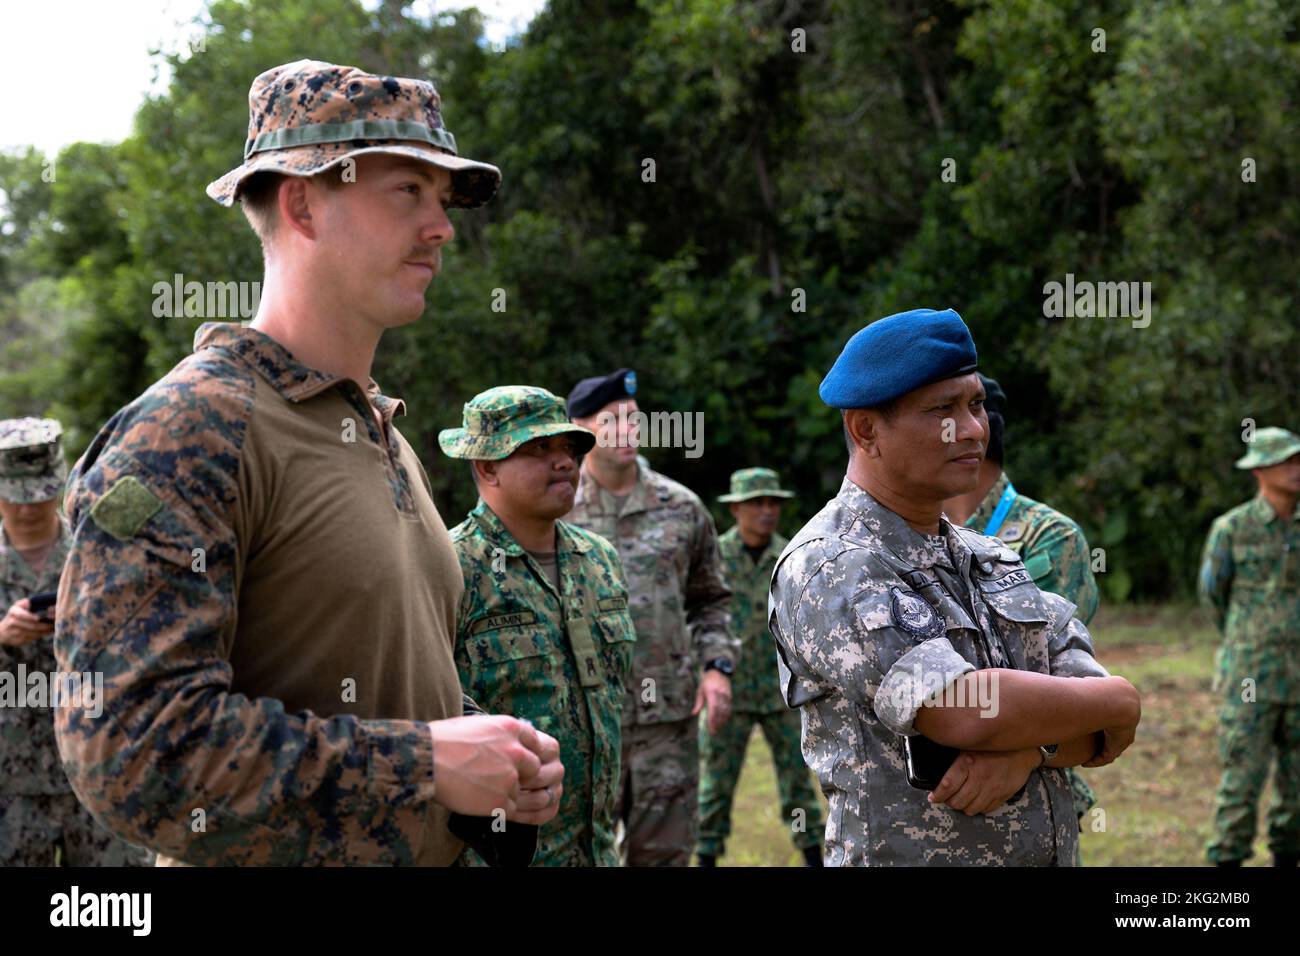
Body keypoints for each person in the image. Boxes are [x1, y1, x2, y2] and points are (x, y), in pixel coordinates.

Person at [53, 59, 561, 866]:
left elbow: (347, 680)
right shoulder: (191, 430)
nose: (442, 227)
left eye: (443, 200)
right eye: (408, 192)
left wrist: (486, 750)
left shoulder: (381, 433)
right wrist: (426, 762)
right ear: (302, 202)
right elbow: (130, 746)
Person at [769, 307, 1141, 866]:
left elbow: (1104, 735)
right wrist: (1121, 696)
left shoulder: (988, 557)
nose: (972, 429)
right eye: (943, 410)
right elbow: (960, 708)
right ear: (865, 429)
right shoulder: (833, 565)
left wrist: (1032, 754)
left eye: (975, 405)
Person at [440, 386, 635, 865]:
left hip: (596, 849)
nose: (564, 462)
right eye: (537, 449)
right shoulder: (449, 566)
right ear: (487, 466)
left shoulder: (599, 559)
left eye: (567, 448)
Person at [565, 367, 737, 865]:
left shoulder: (681, 508)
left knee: (663, 857)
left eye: (634, 418)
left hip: (668, 719)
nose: (627, 430)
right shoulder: (555, 508)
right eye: (611, 419)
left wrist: (716, 668)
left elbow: (710, 600)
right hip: (583, 719)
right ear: (579, 428)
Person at [943, 373, 1101, 862]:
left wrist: (1026, 754)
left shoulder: (1050, 535)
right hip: (935, 786)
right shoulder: (918, 536)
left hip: (1033, 781)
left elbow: (1054, 669)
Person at [0, 418, 152, 866]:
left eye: (41, 493)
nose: (28, 508)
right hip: (11, 784)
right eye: (16, 495)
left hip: (99, 768)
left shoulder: (100, 549)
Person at [696, 467, 825, 868]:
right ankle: (705, 858)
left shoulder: (793, 558)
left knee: (797, 786)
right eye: (756, 503)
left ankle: (813, 858)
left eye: (773, 503)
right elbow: (698, 618)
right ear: (735, 508)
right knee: (715, 786)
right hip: (728, 691)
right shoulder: (712, 559)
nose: (767, 511)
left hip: (781, 692)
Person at [1198, 426, 1300, 867]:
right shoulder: (1232, 529)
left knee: (1297, 793)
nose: (1296, 469)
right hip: (1250, 679)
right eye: (1287, 461)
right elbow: (1212, 594)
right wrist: (1247, 640)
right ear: (1260, 469)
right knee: (1241, 782)